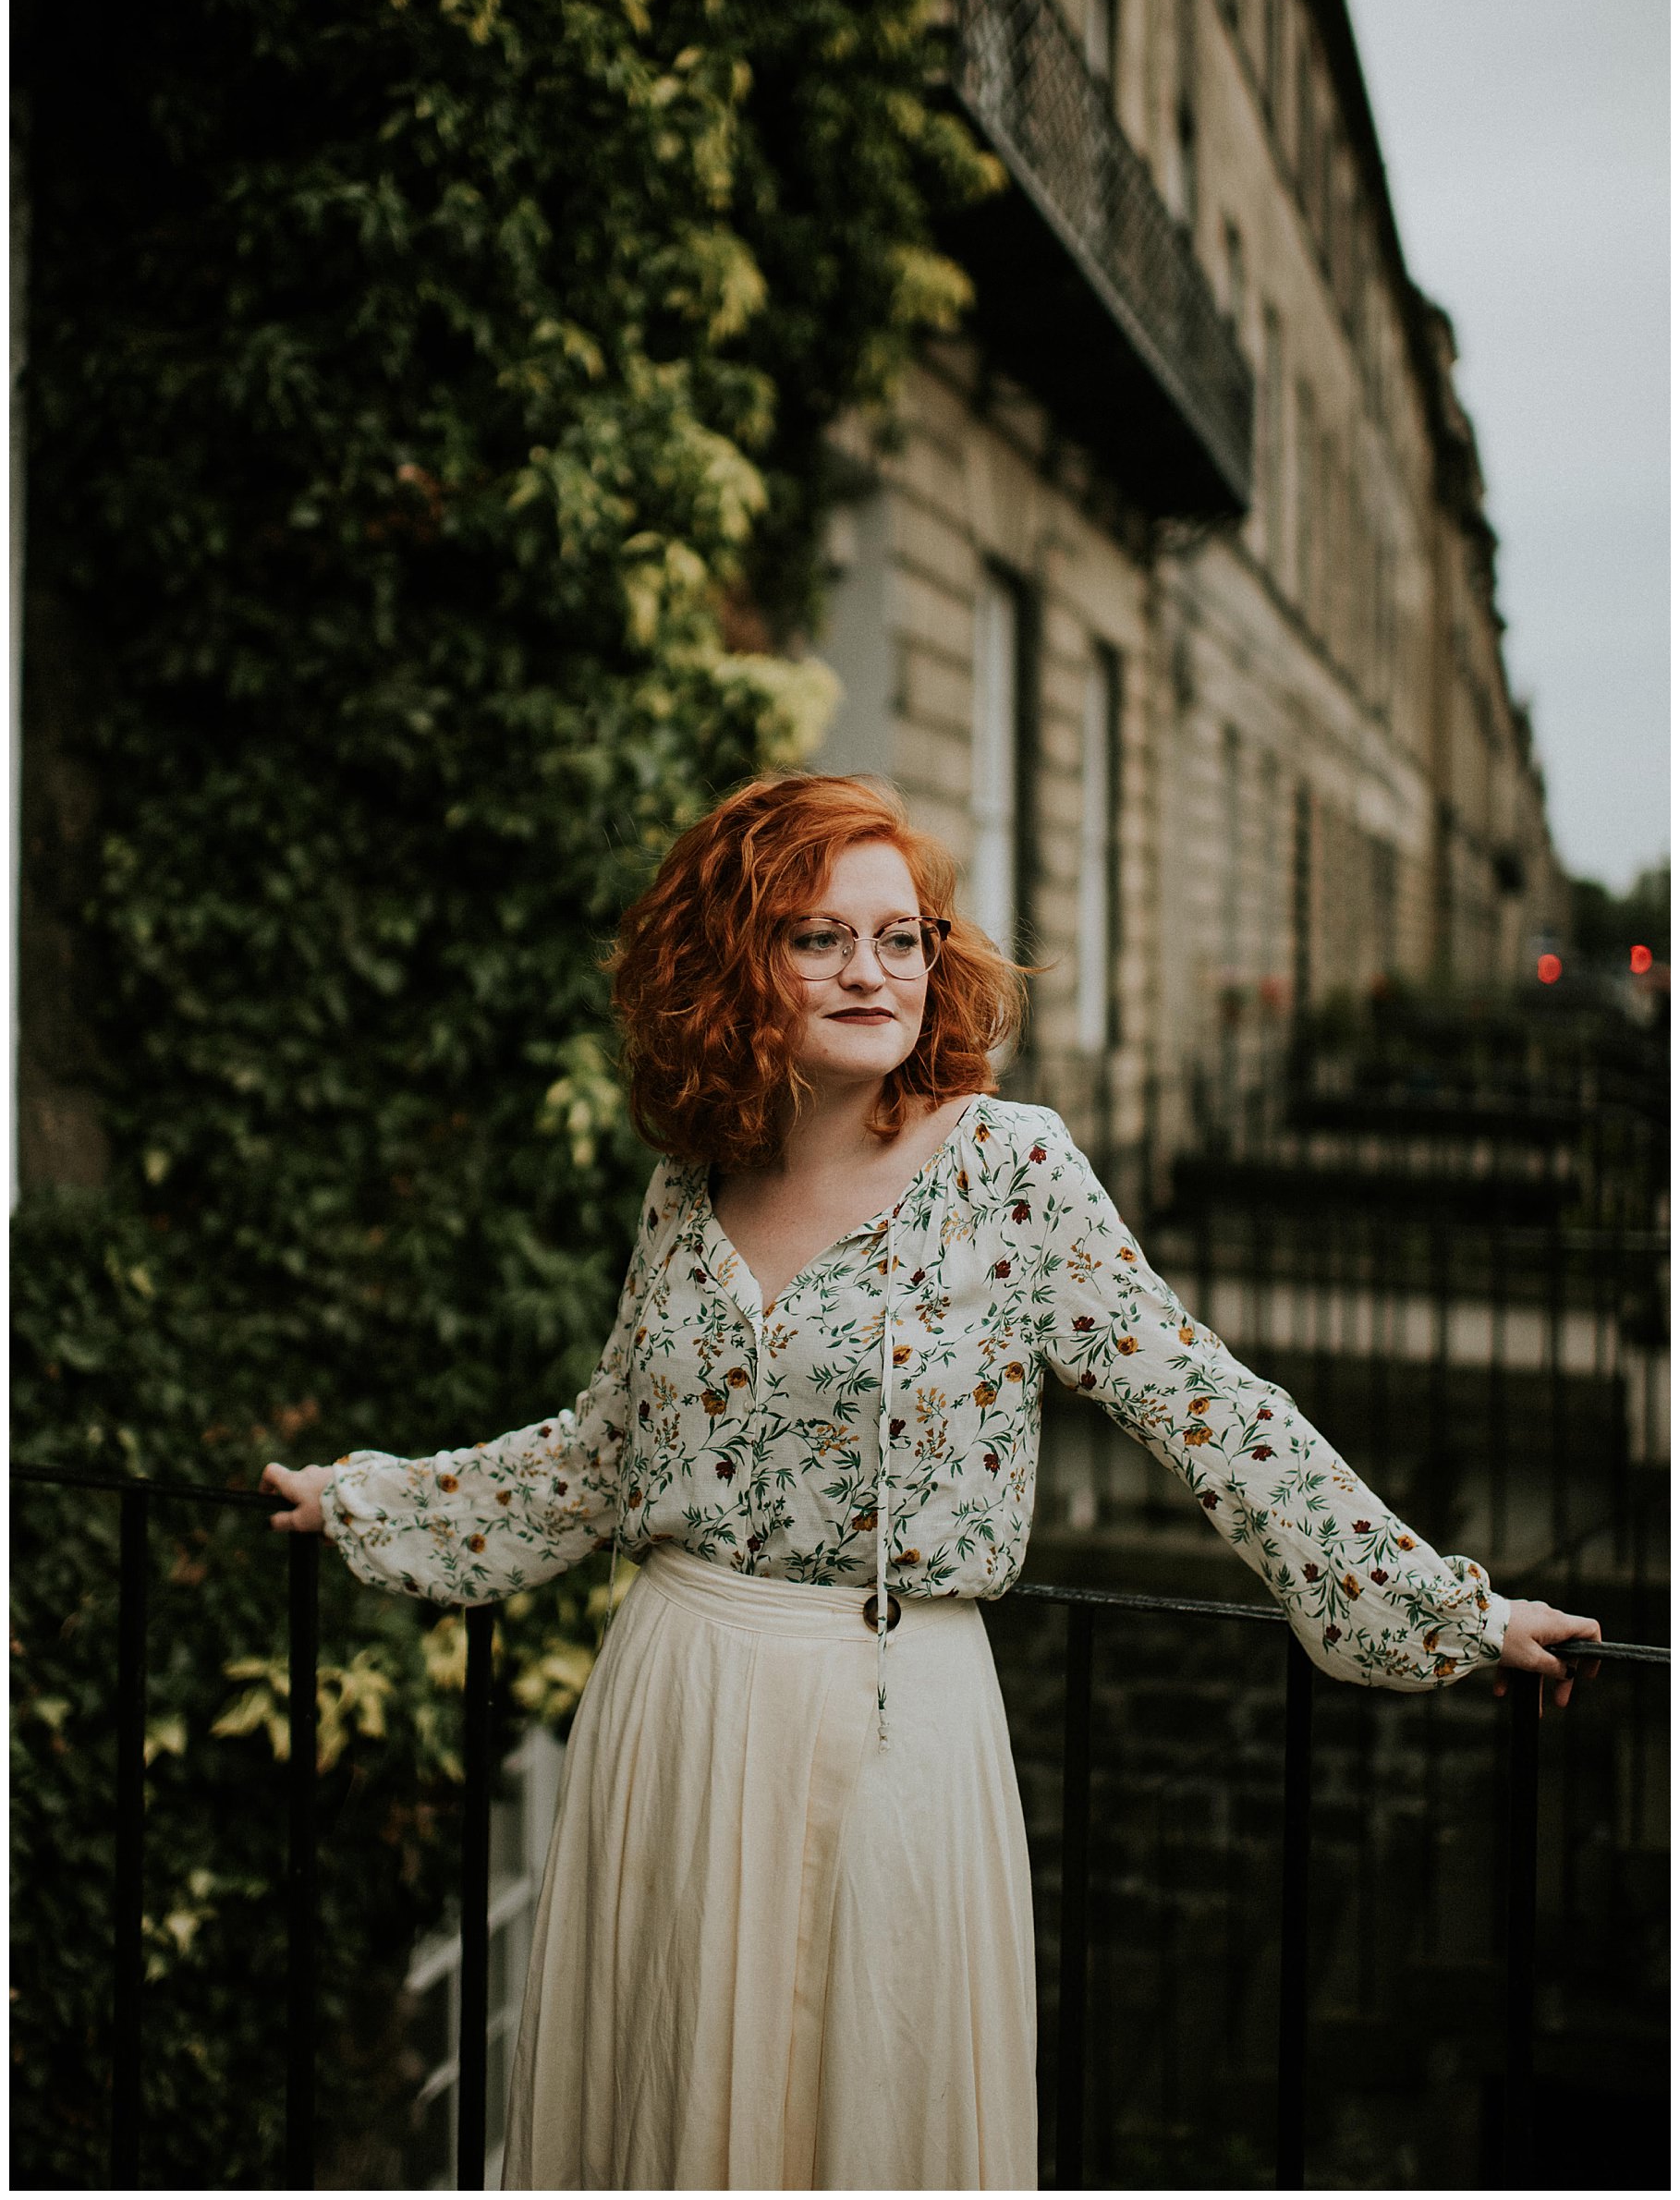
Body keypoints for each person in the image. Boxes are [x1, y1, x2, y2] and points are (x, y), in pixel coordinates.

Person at [263, 772, 1601, 2192]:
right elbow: (606, 1449)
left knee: (866, 2120)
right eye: (817, 936)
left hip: (888, 1727)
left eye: (901, 937)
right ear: (733, 965)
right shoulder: (689, 1182)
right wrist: (366, 1502)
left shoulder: (1010, 1170)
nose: (870, 970)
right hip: (672, 1702)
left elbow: (1206, 1406)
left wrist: (1451, 1610)